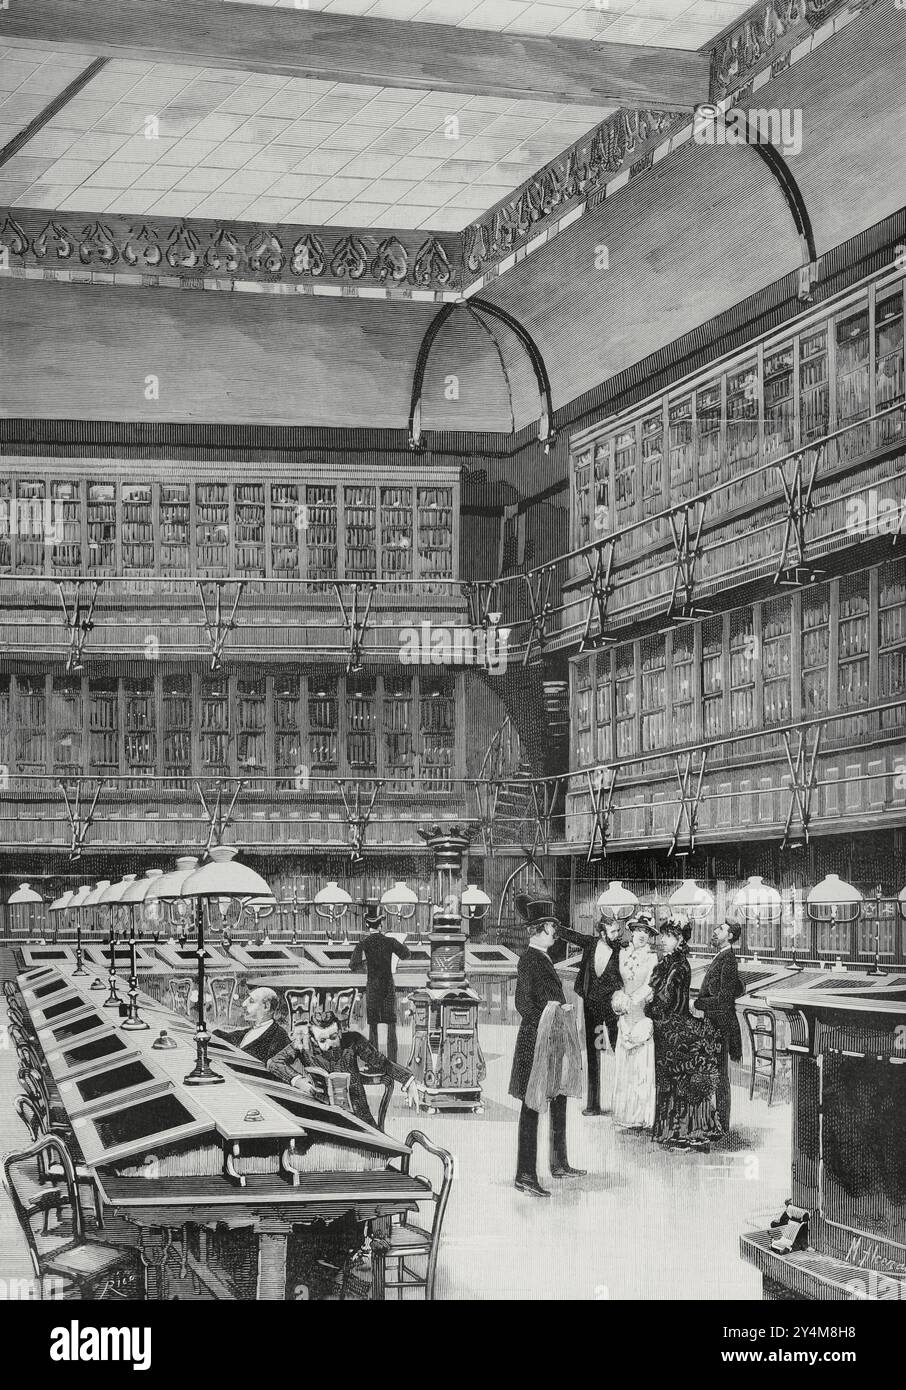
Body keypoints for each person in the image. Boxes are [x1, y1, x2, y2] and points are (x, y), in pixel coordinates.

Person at [509, 895, 586, 1197]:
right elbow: (522, 1004)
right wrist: (552, 1011)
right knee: (532, 1105)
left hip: (553, 1040)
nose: (556, 931)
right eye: (552, 927)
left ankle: (559, 1163)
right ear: (539, 929)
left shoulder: (542, 958)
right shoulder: (529, 959)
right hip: (535, 1042)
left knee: (558, 1096)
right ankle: (525, 1175)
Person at [646, 921, 722, 1151]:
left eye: (670, 936)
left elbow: (665, 998)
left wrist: (650, 1006)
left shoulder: (678, 966)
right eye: (664, 936)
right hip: (667, 1027)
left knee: (678, 1082)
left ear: (680, 940)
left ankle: (684, 1133)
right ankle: (677, 1131)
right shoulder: (669, 963)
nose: (663, 940)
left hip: (674, 1028)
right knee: (671, 1081)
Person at [268, 1010, 418, 1126]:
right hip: (322, 1113)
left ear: (340, 1032)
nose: (329, 1044)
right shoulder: (303, 1043)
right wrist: (298, 1081)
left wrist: (408, 1079)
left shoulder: (354, 1040)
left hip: (357, 1113)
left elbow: (382, 1063)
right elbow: (274, 1063)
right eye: (322, 1040)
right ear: (313, 1039)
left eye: (333, 1037)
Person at [556, 911, 625, 1115]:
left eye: (618, 931)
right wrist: (554, 926)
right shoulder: (591, 943)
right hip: (592, 1007)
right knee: (594, 1054)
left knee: (618, 1050)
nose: (617, 934)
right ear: (602, 932)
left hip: (611, 1008)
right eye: (613, 931)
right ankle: (593, 1104)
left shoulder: (621, 949)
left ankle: (623, 1105)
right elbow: (571, 935)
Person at [694, 921, 744, 1135]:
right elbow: (734, 988)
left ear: (730, 936)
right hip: (713, 1023)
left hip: (721, 1025)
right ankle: (714, 1121)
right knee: (713, 1074)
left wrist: (696, 1003)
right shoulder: (721, 956)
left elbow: (723, 1000)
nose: (715, 931)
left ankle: (722, 1125)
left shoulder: (728, 959)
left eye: (721, 929)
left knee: (720, 1076)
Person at [610, 919, 657, 1129]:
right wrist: (619, 997)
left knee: (640, 1068)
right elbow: (618, 981)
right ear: (631, 932)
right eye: (638, 930)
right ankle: (625, 1114)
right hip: (624, 1014)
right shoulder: (622, 953)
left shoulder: (652, 957)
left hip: (640, 1012)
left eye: (645, 931)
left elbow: (650, 985)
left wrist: (632, 1001)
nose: (641, 934)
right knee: (624, 1066)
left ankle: (640, 1116)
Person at [349, 903, 410, 1062]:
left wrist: (367, 965)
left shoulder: (363, 943)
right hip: (388, 986)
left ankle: (374, 1061)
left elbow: (353, 966)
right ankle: (393, 1062)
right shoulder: (390, 941)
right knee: (391, 1025)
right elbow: (406, 954)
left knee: (373, 1027)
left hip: (373, 987)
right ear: (381, 923)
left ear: (367, 924)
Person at [212, 986, 291, 1063]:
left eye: (251, 1001)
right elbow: (227, 1037)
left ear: (267, 1006)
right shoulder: (248, 1031)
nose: (244, 1004)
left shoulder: (280, 1036)